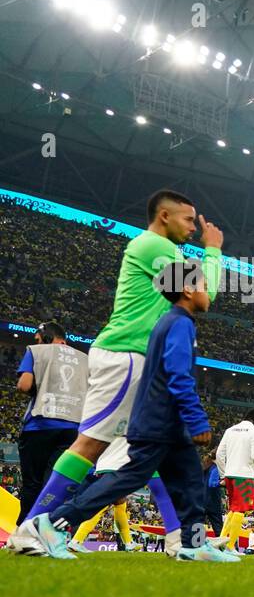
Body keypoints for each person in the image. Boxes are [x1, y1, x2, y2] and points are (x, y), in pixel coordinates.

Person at [9, 190, 221, 554]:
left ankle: (184, 539)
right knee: (90, 443)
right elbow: (204, 296)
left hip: (140, 359)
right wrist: (214, 250)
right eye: (188, 219)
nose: (194, 227)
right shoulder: (157, 247)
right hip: (127, 356)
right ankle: (34, 528)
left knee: (168, 451)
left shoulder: (162, 250)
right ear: (165, 216)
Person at [25, 260, 235, 562]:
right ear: (188, 289)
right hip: (158, 422)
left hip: (167, 423)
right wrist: (196, 418)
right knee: (128, 479)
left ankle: (193, 544)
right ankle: (53, 522)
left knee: (191, 484)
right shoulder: (179, 324)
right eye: (204, 286)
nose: (209, 294)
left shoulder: (172, 321)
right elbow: (177, 374)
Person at [15, 321, 86, 523]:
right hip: (73, 427)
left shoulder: (36, 351)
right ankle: (48, 530)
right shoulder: (85, 359)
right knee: (56, 483)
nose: (37, 342)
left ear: (47, 337)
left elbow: (24, 384)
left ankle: (23, 529)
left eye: (39, 338)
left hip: (40, 425)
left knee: (32, 484)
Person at [215, 410, 254, 551]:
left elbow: (218, 454)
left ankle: (220, 543)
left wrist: (223, 474)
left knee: (233, 510)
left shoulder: (230, 430)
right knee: (240, 511)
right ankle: (230, 547)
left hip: (230, 475)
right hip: (244, 476)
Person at [202, 452, 224, 539]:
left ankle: (196, 547)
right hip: (213, 502)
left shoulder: (203, 469)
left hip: (200, 501)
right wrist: (222, 483)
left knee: (197, 526)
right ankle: (223, 549)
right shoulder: (215, 469)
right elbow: (212, 484)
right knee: (219, 529)